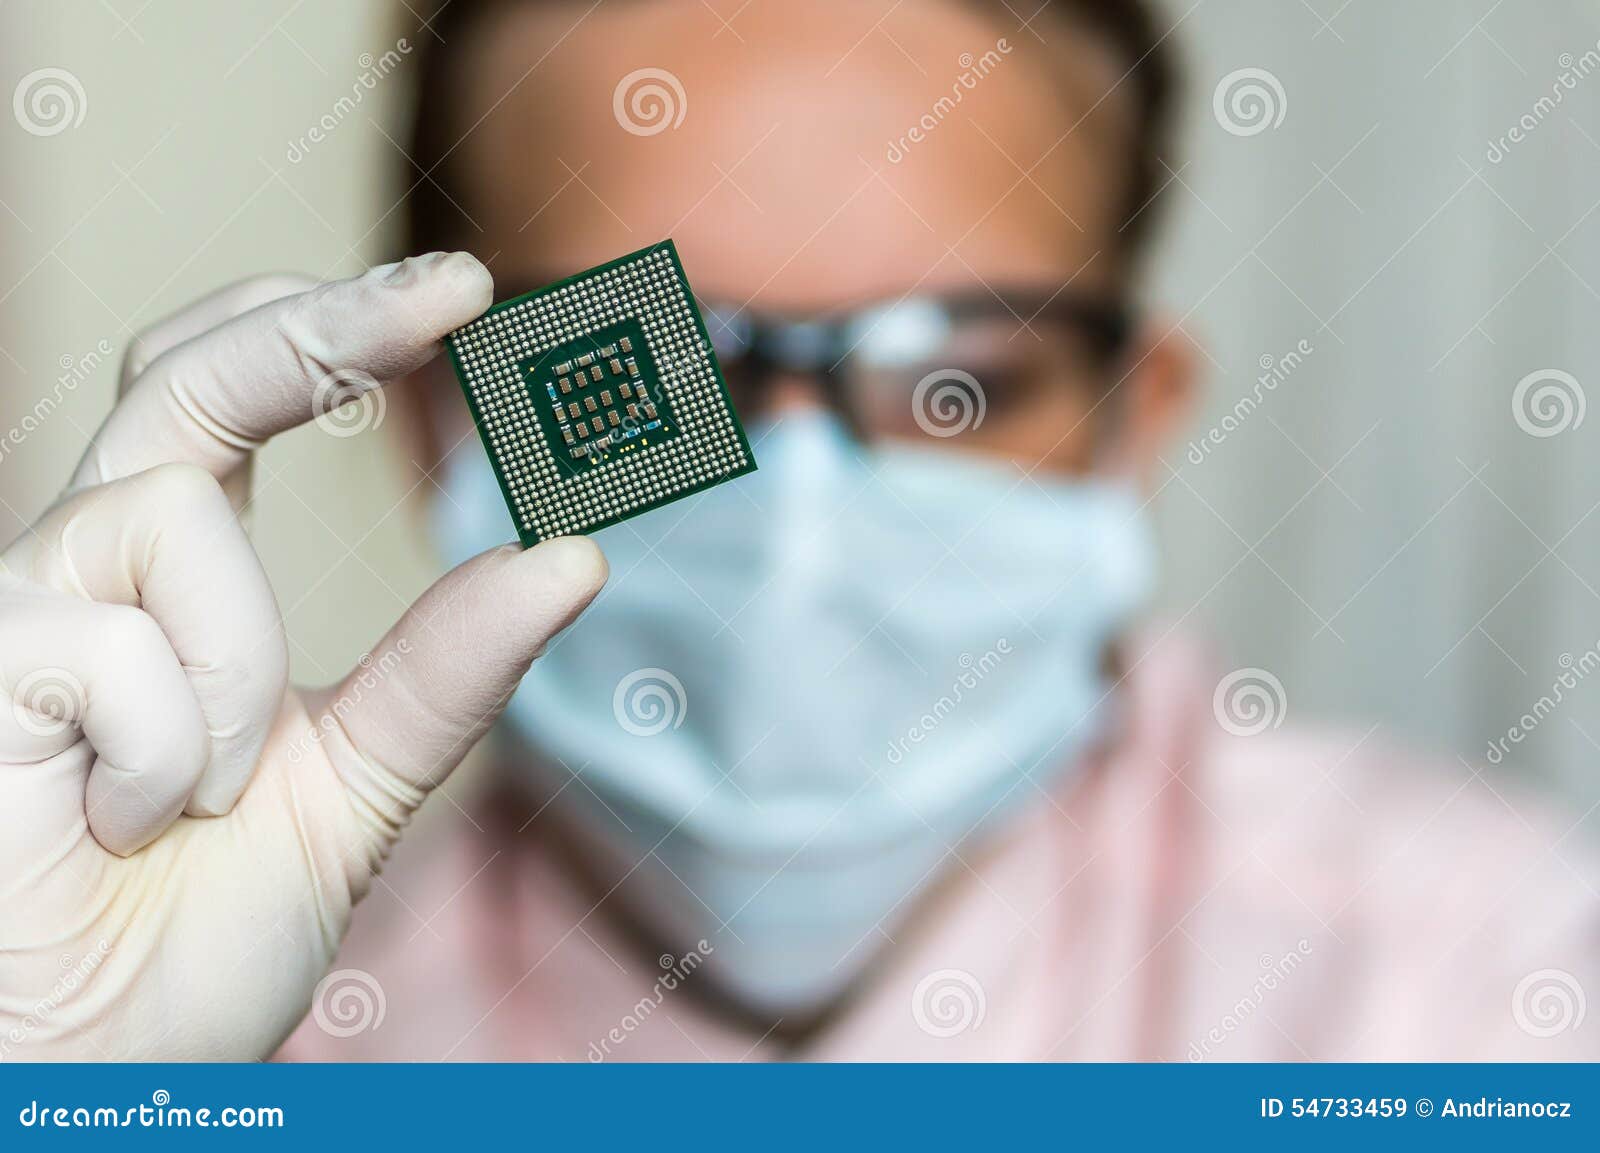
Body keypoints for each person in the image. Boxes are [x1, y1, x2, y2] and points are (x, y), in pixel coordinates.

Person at [1, 0, 1593, 1062]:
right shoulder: (253, 1032)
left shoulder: (1474, 978)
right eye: (644, 369)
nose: (799, 520)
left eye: (956, 383)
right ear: (441, 415)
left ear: (1132, 416)